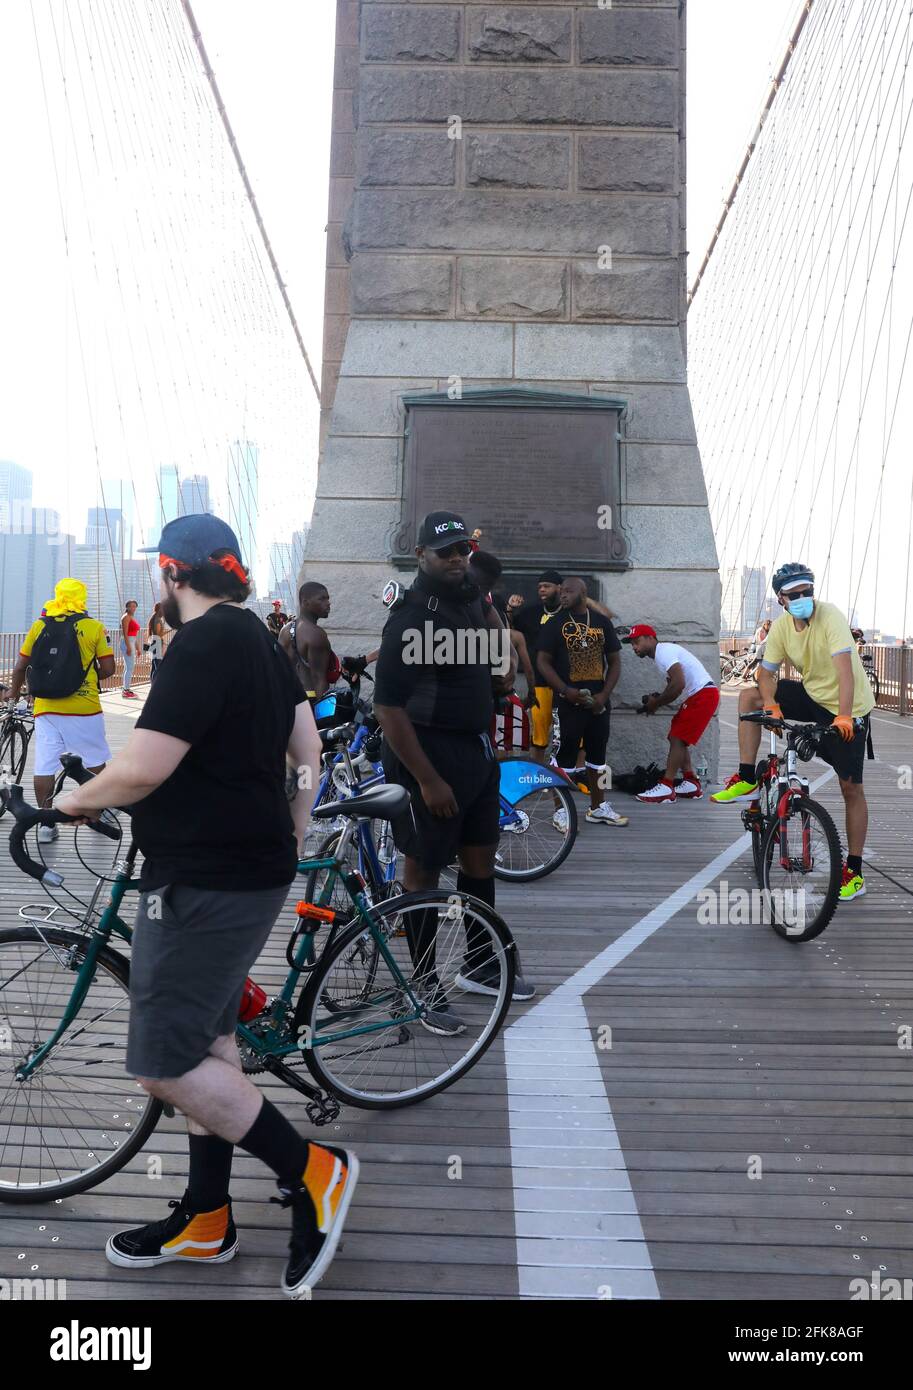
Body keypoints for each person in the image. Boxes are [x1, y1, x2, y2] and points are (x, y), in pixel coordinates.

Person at [53, 513, 356, 1296]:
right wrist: (290, 835)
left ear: (170, 572)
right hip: (248, 871)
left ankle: (314, 1173)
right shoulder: (258, 637)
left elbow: (144, 766)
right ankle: (206, 1219)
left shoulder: (198, 644)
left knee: (165, 1060)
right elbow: (307, 752)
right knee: (212, 1047)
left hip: (201, 882)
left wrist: (74, 802)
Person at [373, 510, 532, 1036]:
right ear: (421, 555)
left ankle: (480, 963)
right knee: (421, 869)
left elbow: (496, 662)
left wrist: (499, 645)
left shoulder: (473, 599)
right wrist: (427, 780)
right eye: (445, 552)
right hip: (428, 756)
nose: (457, 558)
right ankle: (418, 986)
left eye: (462, 549)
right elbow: (389, 709)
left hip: (476, 751)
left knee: (480, 859)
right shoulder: (410, 616)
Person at [711, 562, 874, 903]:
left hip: (849, 706)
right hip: (814, 696)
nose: (803, 598)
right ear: (781, 599)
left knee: (851, 787)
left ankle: (854, 872)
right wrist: (770, 704)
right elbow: (766, 673)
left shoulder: (830, 617)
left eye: (807, 592)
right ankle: (746, 776)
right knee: (749, 696)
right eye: (794, 594)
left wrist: (844, 717)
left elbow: (846, 672)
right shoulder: (783, 628)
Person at [6, 577, 115, 843]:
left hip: (45, 708)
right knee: (94, 762)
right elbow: (110, 669)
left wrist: (13, 693)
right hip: (84, 708)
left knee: (44, 765)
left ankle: (46, 823)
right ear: (82, 598)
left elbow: (21, 666)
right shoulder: (93, 627)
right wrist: (87, 673)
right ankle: (98, 809)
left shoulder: (39, 625)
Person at [535, 577, 628, 826]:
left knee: (597, 757)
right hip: (567, 702)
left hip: (597, 703)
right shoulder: (555, 624)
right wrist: (565, 690)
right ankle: (561, 810)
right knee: (562, 757)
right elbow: (542, 661)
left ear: (583, 592)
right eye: (561, 591)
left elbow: (615, 662)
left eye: (569, 591)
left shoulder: (601, 622)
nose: (563, 595)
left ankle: (598, 807)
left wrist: (603, 696)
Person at [621, 624, 720, 803]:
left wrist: (656, 703)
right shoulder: (663, 653)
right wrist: (656, 701)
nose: (634, 647)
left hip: (703, 695)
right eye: (632, 644)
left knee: (677, 737)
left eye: (637, 641)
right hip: (702, 694)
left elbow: (679, 683)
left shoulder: (662, 652)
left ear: (651, 638)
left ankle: (666, 787)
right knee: (676, 734)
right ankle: (690, 782)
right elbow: (673, 685)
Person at [278, 582, 341, 702]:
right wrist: (323, 717)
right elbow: (319, 679)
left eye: (328, 598)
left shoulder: (284, 630)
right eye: (322, 599)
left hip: (286, 700)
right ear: (305, 602)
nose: (328, 603)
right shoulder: (316, 634)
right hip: (309, 700)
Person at [120, 599, 141, 700]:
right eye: (131, 606)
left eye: (134, 606)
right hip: (127, 642)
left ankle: (125, 688)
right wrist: (129, 647)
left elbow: (134, 635)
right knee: (130, 667)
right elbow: (125, 634)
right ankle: (126, 691)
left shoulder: (131, 617)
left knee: (127, 667)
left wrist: (138, 648)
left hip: (131, 642)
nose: (133, 608)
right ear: (127, 607)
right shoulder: (125, 617)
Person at [145, 602, 166, 680]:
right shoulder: (157, 620)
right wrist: (167, 631)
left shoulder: (154, 618)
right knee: (158, 664)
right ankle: (157, 682)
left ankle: (153, 682)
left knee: (154, 664)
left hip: (153, 641)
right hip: (157, 642)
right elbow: (158, 633)